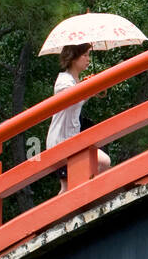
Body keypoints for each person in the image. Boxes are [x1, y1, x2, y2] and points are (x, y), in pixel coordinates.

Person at [46, 43, 111, 194]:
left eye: (89, 54)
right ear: (74, 57)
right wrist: (90, 87)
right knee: (103, 162)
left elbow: (78, 98)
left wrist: (91, 88)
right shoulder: (64, 82)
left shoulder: (74, 81)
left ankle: (82, 202)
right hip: (61, 141)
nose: (88, 59)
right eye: (85, 55)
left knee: (67, 187)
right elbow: (74, 98)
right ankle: (91, 196)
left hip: (71, 139)